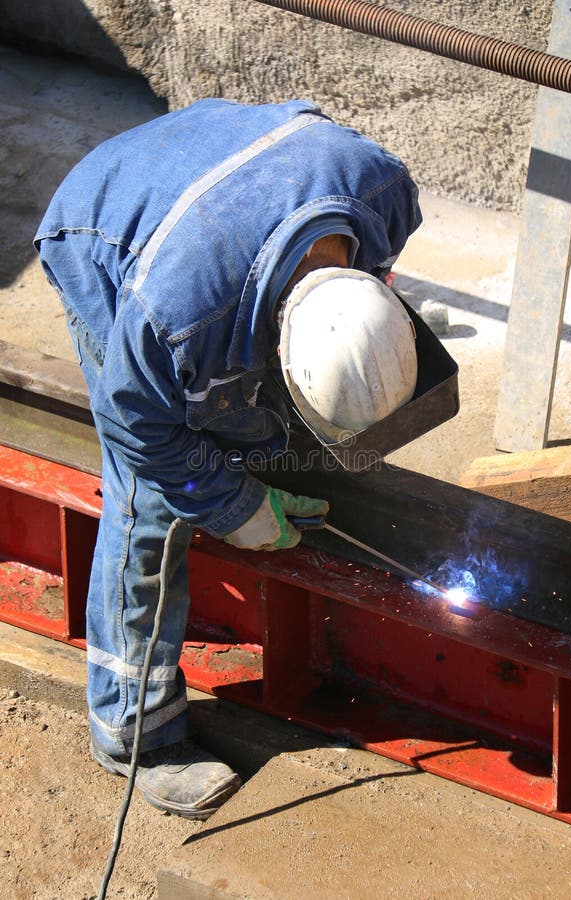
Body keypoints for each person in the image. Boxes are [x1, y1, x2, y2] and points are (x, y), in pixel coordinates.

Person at [35, 98, 422, 819]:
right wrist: (230, 504)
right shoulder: (172, 315)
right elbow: (135, 424)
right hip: (99, 225)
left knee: (232, 420)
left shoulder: (384, 192)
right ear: (278, 331)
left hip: (210, 165)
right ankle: (134, 734)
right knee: (149, 500)